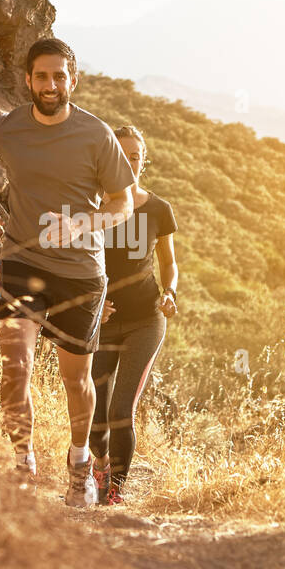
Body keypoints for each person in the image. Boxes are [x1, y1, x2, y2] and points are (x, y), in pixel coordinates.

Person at [0, 38, 137, 507]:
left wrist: (85, 223)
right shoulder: (9, 128)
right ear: (28, 80)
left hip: (80, 273)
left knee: (74, 379)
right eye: (41, 76)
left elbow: (123, 203)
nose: (50, 84)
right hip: (20, 260)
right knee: (15, 365)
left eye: (59, 75)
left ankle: (80, 460)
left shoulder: (96, 135)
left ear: (72, 80)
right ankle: (23, 463)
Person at [88, 126, 178, 505]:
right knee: (95, 410)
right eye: (121, 155)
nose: (129, 162)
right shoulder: (92, 207)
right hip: (102, 319)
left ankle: (115, 491)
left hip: (146, 319)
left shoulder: (159, 210)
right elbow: (77, 263)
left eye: (136, 156)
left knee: (122, 409)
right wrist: (92, 303)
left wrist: (170, 292)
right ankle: (101, 464)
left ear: (144, 161)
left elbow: (169, 263)